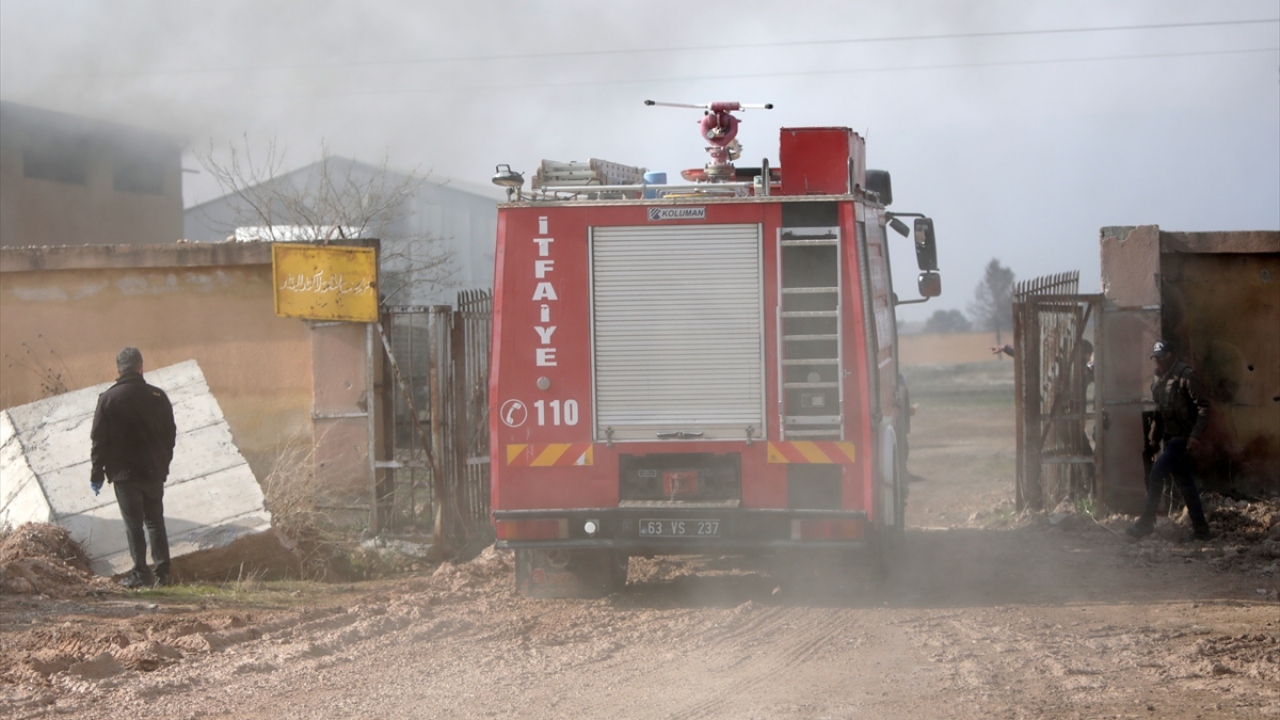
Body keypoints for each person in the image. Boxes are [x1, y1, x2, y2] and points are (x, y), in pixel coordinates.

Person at [90, 347, 177, 588]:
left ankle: (141, 574)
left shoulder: (107, 399)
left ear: (118, 370)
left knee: (134, 525)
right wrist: (163, 462)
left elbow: (99, 441)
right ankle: (163, 574)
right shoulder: (157, 396)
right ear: (141, 367)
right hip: (153, 472)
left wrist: (97, 474)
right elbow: (170, 434)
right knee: (155, 521)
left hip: (124, 475)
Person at [1126, 341, 1212, 542]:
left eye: (1161, 357)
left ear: (1171, 355)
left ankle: (1146, 522)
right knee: (1185, 483)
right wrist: (1154, 439)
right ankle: (1201, 529)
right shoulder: (1160, 380)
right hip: (1170, 438)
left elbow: (1204, 407)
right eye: (1156, 357)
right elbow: (1159, 413)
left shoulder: (1186, 376)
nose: (1158, 361)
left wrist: (1195, 435)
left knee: (1157, 474)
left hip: (1182, 438)